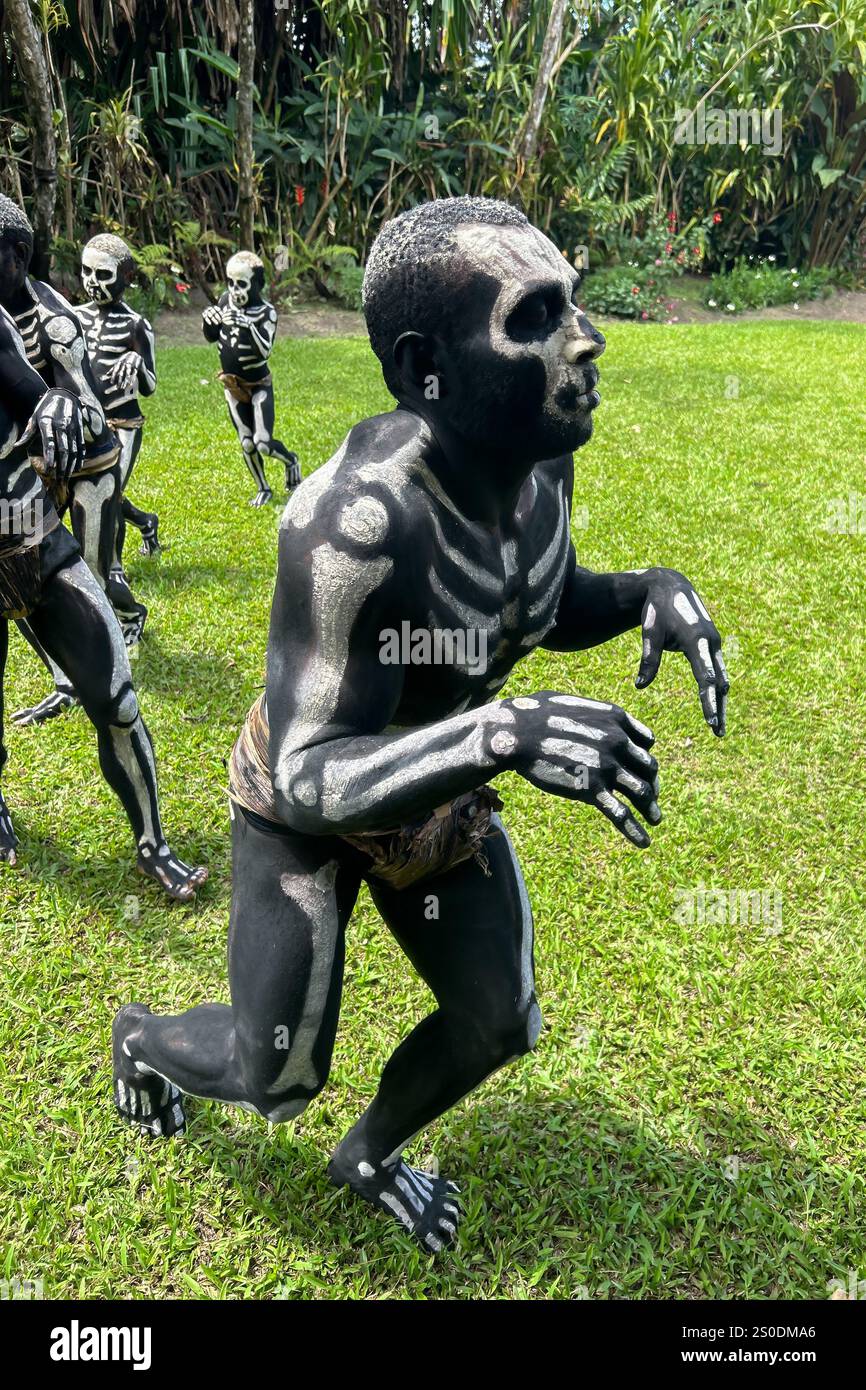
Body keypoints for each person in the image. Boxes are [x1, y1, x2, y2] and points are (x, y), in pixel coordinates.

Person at [114, 197, 728, 1248]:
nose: (584, 339)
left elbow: (536, 602)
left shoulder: (534, 463)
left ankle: (369, 1150)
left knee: (498, 1018)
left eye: (571, 303)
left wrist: (643, 591)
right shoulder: (350, 522)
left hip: (432, 789)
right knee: (276, 1076)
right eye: (533, 317)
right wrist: (502, 737)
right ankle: (138, 1039)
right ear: (420, 365)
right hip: (306, 808)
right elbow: (308, 772)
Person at [0, 225, 206, 900]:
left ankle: (152, 842)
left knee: (116, 700)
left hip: (33, 530)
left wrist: (60, 400)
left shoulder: (44, 322)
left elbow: (59, 401)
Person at [202, 251, 300, 507]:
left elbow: (265, 350)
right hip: (232, 385)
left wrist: (247, 324)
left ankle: (291, 461)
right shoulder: (225, 302)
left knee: (263, 443)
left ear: (257, 284)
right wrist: (208, 321)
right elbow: (212, 337)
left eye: (241, 284)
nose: (234, 290)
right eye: (231, 283)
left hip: (259, 386)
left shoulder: (266, 312)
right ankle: (263, 487)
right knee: (247, 443)